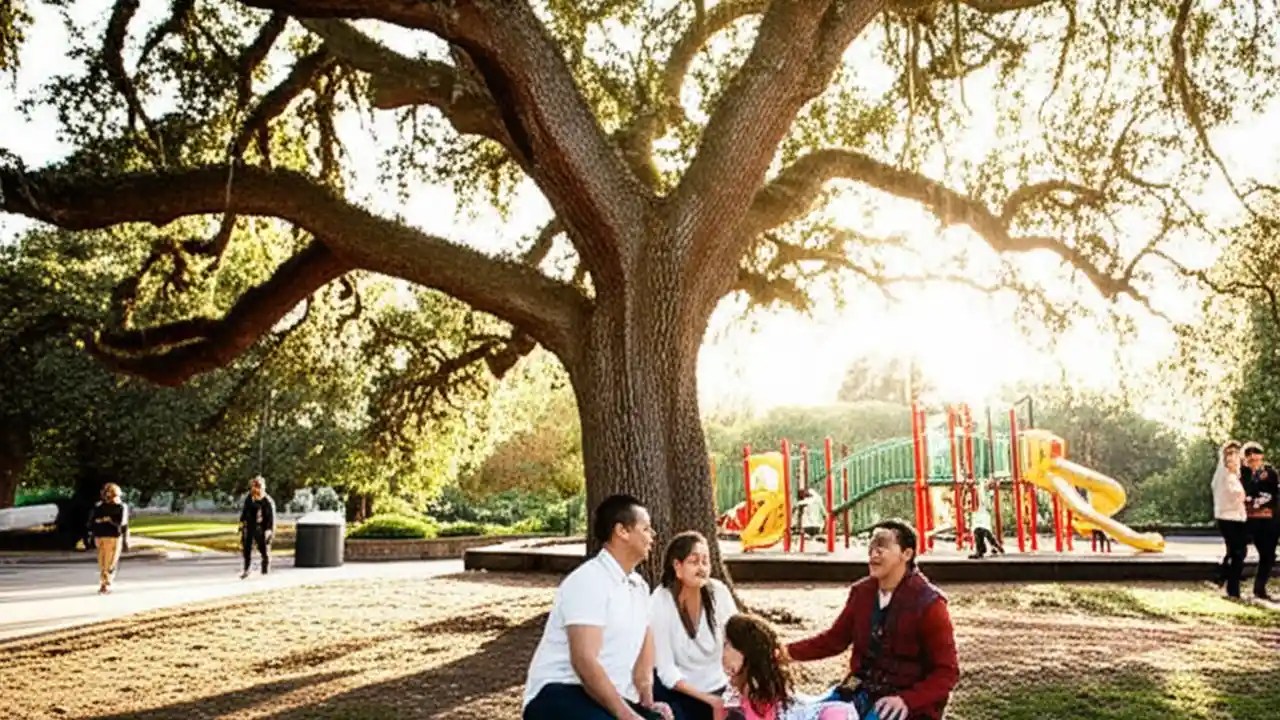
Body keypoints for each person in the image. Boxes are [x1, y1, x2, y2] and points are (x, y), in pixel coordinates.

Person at [786, 519, 959, 720]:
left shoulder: (930, 604)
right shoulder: (862, 593)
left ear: (907, 554)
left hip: (904, 701)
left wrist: (907, 700)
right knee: (808, 714)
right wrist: (784, 653)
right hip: (859, 688)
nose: (873, 553)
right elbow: (834, 640)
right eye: (871, 546)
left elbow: (947, 672)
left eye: (882, 546)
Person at [523, 494, 673, 720]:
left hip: (603, 697)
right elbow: (584, 660)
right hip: (560, 692)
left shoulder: (639, 586)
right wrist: (628, 716)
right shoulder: (588, 580)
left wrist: (647, 700)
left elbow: (645, 641)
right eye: (646, 529)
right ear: (621, 531)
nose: (652, 536)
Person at [651, 531, 737, 720]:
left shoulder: (718, 592)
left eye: (705, 561)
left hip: (721, 690)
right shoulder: (660, 601)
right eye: (694, 561)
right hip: (679, 694)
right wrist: (709, 701)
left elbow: (737, 643)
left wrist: (730, 693)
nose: (702, 567)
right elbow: (665, 669)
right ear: (677, 566)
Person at [720, 614, 858, 720]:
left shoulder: (757, 692)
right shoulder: (741, 691)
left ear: (745, 651)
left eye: (727, 645)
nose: (723, 653)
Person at [1242, 442, 1278, 601]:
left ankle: (1259, 588)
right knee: (1242, 550)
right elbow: (1245, 491)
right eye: (1249, 454)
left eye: (1256, 453)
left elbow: (1272, 492)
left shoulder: (1269, 472)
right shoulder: (1243, 473)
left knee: (1268, 555)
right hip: (1252, 519)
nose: (1253, 457)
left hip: (1270, 519)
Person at [1211, 440, 1248, 598]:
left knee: (1234, 552)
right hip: (1229, 518)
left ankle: (1222, 578)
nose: (1234, 458)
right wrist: (1243, 497)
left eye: (1236, 455)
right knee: (1238, 553)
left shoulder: (1232, 476)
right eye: (1230, 454)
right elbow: (1234, 496)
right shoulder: (1225, 476)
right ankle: (1233, 589)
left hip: (1235, 517)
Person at [88, 483, 129, 594]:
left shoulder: (118, 507)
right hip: (105, 536)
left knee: (107, 562)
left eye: (110, 493)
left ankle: (105, 583)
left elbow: (122, 523)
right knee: (105, 562)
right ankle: (105, 583)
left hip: (109, 536)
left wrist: (108, 520)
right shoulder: (102, 507)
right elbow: (92, 522)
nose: (108, 496)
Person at [239, 476, 276, 579]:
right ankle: (247, 569)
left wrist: (269, 530)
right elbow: (245, 511)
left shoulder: (267, 501)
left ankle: (265, 571)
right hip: (250, 527)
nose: (256, 489)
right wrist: (242, 523)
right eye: (254, 487)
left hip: (263, 528)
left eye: (258, 487)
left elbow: (270, 518)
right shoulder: (249, 498)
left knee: (264, 550)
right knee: (247, 548)